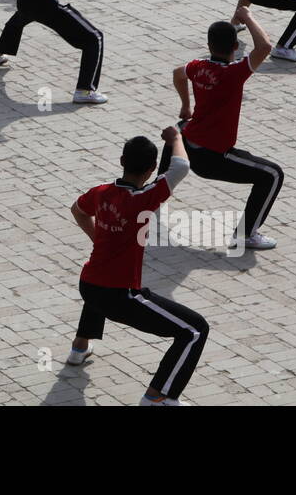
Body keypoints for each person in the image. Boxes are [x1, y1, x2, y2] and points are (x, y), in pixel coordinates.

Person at [65, 126, 207, 407]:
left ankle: (78, 349)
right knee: (194, 331)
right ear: (152, 168)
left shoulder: (101, 192)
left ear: (121, 161)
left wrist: (100, 239)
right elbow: (180, 166)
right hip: (120, 296)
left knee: (97, 286)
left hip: (88, 286)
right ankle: (157, 396)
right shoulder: (145, 198)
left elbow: (77, 211)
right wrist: (176, 138)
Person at [173, 8, 282, 251]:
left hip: (189, 147)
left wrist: (185, 105)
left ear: (209, 44)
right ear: (235, 46)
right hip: (213, 157)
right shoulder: (233, 73)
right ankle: (246, 235)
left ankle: (158, 190)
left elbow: (177, 74)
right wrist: (247, 17)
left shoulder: (197, 66)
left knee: (177, 131)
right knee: (272, 175)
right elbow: (264, 47)